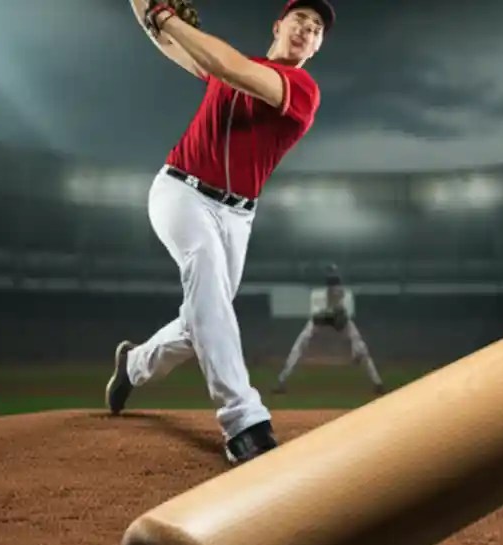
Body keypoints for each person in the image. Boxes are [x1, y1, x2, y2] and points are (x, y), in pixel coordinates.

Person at [105, 0, 336, 466]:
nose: (306, 30)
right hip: (180, 192)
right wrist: (150, 11)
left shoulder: (301, 90)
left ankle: (134, 364)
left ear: (316, 47)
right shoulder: (227, 65)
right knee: (206, 281)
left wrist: (166, 17)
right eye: (300, 20)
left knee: (204, 316)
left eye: (315, 29)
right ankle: (243, 421)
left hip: (236, 218)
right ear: (279, 25)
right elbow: (168, 40)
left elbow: (225, 65)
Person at [274, 264, 385, 395]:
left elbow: (344, 319)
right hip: (320, 322)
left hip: (340, 322)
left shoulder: (345, 295)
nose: (334, 289)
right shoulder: (317, 296)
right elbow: (316, 318)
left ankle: (377, 381)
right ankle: (282, 380)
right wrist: (332, 313)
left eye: (336, 285)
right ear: (328, 287)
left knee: (361, 346)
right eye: (332, 285)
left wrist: (335, 312)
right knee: (300, 343)